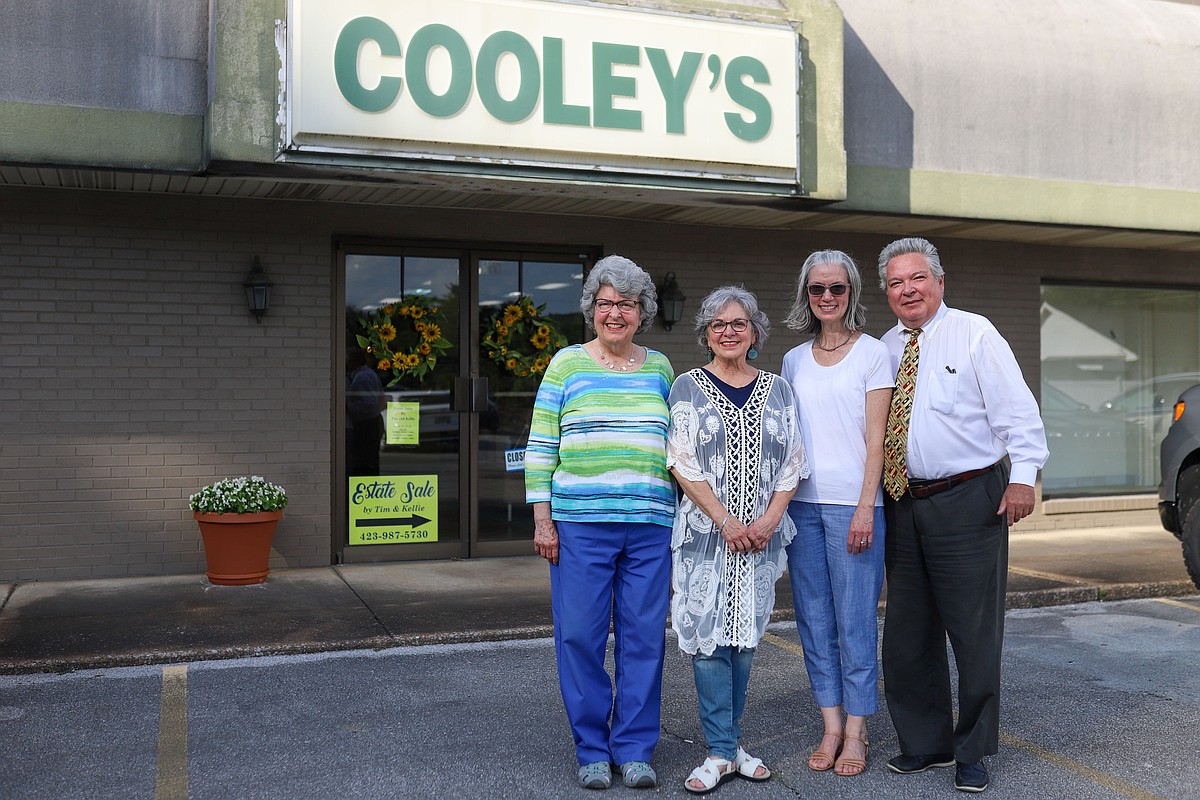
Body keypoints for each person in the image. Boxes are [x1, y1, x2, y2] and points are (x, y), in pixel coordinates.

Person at [876, 237, 1048, 794]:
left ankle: (972, 750)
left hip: (970, 497)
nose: (908, 290)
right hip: (903, 501)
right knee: (907, 634)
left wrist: (1024, 477)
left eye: (917, 278)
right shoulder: (885, 345)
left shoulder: (975, 332)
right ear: (887, 293)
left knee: (973, 633)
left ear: (940, 282)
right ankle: (926, 744)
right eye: (897, 283)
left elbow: (1018, 410)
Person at [525, 254, 675, 791]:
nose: (616, 313)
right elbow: (541, 447)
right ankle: (592, 747)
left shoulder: (660, 368)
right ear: (592, 309)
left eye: (627, 304)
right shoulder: (566, 365)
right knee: (581, 638)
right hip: (581, 525)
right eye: (607, 303)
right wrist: (543, 520)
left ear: (642, 312)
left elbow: (677, 448)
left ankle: (634, 749)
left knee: (643, 640)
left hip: (650, 524)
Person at [667, 285, 809, 795]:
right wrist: (727, 521)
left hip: (761, 540)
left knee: (745, 638)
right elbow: (681, 460)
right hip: (708, 536)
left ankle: (728, 745)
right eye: (719, 325)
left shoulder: (778, 389)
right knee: (708, 638)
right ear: (707, 334)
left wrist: (769, 520)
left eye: (739, 323)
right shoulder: (687, 385)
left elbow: (793, 461)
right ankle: (721, 750)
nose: (729, 331)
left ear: (754, 333)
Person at [780, 250, 894, 777]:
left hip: (854, 505)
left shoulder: (873, 354)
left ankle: (857, 729)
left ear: (852, 293)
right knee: (814, 621)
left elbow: (878, 441)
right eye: (817, 289)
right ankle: (830, 723)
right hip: (801, 507)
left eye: (837, 288)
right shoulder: (793, 360)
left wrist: (867, 507)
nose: (827, 297)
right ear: (807, 294)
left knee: (854, 623)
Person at [346, 347, 385, 476]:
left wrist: (346, 407)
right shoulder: (368, 374)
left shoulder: (363, 377)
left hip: (366, 425)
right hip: (370, 423)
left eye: (347, 359)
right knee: (370, 461)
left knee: (364, 462)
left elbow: (368, 405)